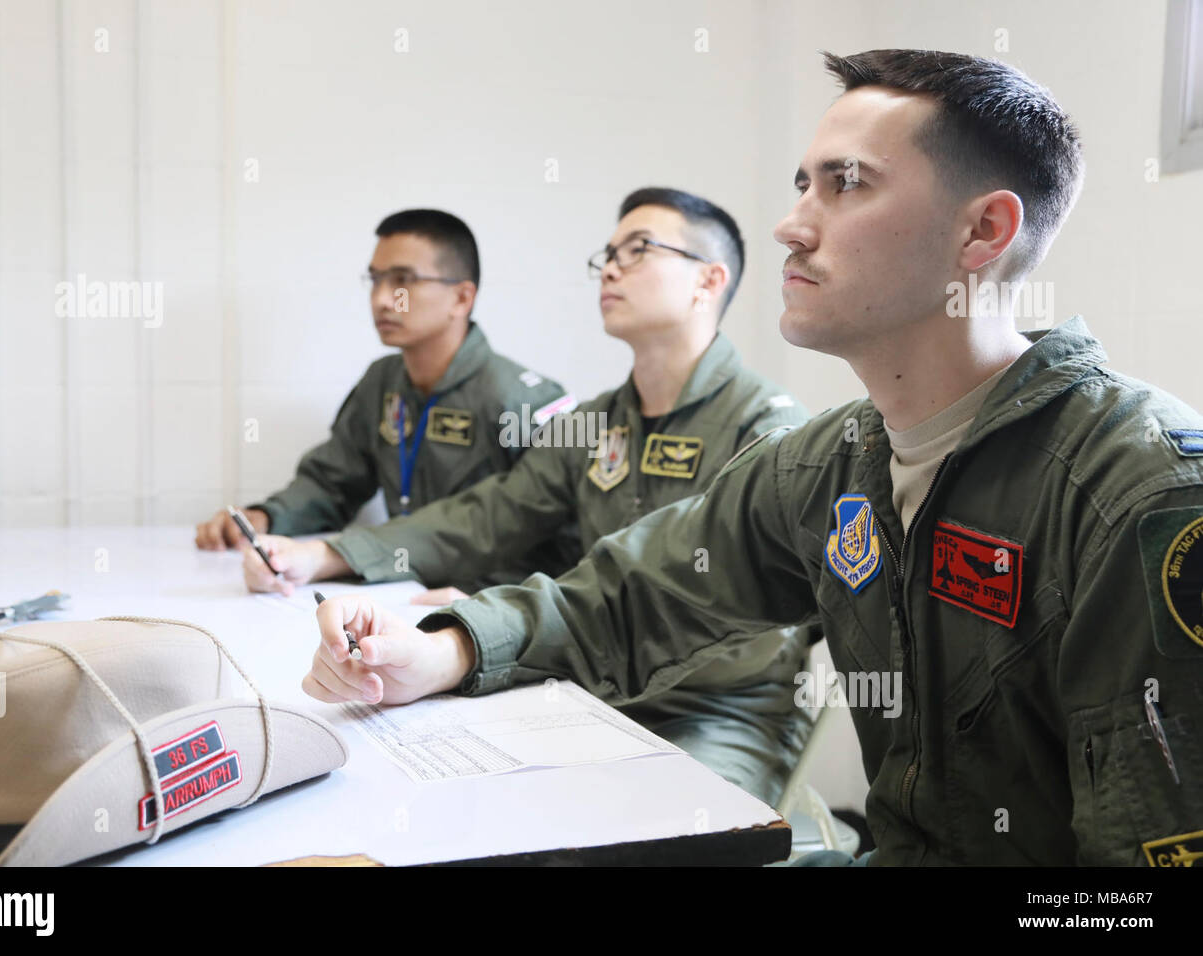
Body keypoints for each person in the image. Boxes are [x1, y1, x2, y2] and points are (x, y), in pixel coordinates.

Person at [299, 50, 1203, 865]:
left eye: (845, 186)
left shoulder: (1141, 492)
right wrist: (443, 649)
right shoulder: (831, 463)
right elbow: (632, 593)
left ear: (982, 233)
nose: (790, 226)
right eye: (801, 184)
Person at [244, 188, 816, 806]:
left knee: (675, 834)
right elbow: (490, 513)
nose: (613, 266)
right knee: (442, 798)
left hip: (715, 708)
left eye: (639, 249)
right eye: (609, 253)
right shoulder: (595, 421)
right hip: (591, 684)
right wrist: (329, 552)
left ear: (709, 280)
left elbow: (744, 617)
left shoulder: (768, 426)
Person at [194, 209, 573, 586]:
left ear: (461, 297)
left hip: (493, 608)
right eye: (375, 280)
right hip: (402, 590)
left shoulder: (524, 400)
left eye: (403, 281)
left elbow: (564, 542)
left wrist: (489, 601)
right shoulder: (383, 382)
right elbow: (333, 481)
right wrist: (268, 518)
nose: (382, 299)